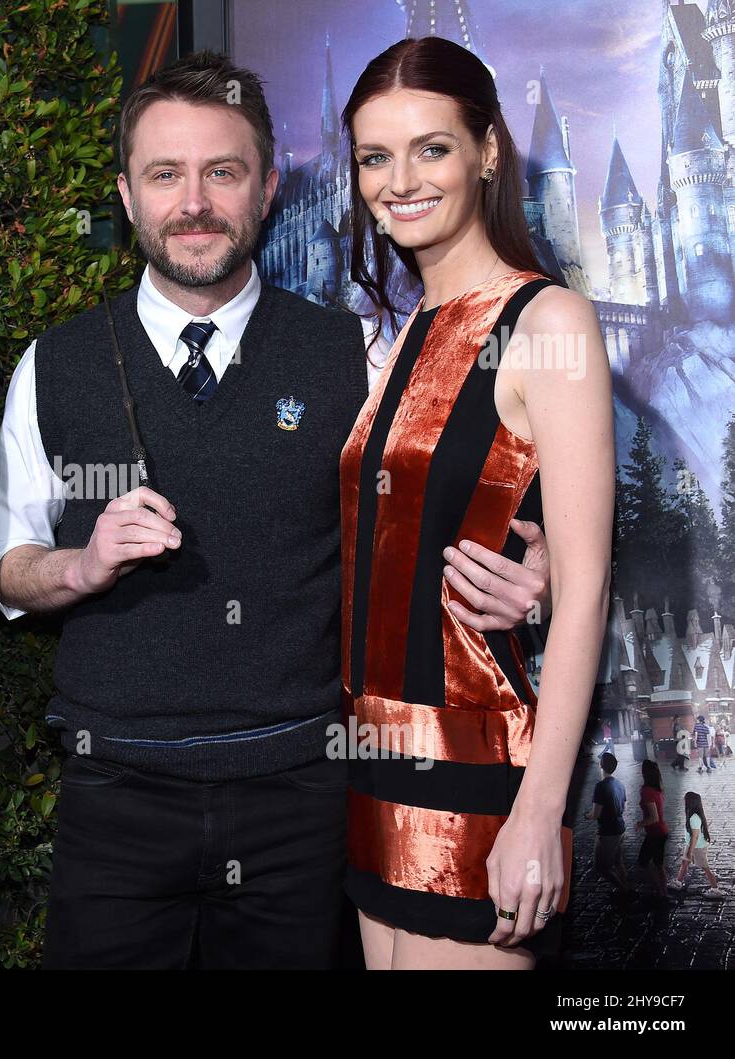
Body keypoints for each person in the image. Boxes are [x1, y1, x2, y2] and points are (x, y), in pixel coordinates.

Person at [0, 50, 552, 969]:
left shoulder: (355, 352)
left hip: (303, 796)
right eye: (164, 175)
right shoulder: (56, 365)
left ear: (268, 186)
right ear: (126, 195)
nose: (193, 202)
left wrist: (536, 568)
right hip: (116, 795)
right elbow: (5, 567)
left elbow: (448, 497)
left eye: (223, 171)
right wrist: (78, 566)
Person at [339, 37, 613, 970]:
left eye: (432, 148)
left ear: (488, 150)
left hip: (481, 764)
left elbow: (586, 586)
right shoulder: (398, 332)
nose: (399, 181)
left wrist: (539, 811)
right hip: (373, 760)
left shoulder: (549, 322)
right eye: (375, 157)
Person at [586, 753, 629, 896]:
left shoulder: (600, 786)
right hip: (620, 828)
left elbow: (595, 814)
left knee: (601, 868)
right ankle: (626, 887)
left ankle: (624, 891)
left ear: (601, 765)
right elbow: (624, 807)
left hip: (608, 832)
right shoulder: (620, 784)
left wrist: (586, 815)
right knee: (618, 861)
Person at [668, 792, 723, 897]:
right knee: (685, 862)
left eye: (685, 799)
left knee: (705, 868)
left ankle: (715, 890)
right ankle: (678, 882)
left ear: (690, 802)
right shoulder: (693, 815)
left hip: (697, 847)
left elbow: (695, 836)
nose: (683, 801)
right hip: (692, 845)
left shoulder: (694, 818)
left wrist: (690, 851)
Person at [635, 759, 669, 901]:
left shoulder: (647, 791)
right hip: (660, 831)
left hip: (656, 833)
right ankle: (663, 892)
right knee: (658, 864)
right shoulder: (657, 789)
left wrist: (640, 824)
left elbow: (654, 817)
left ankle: (660, 891)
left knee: (644, 862)